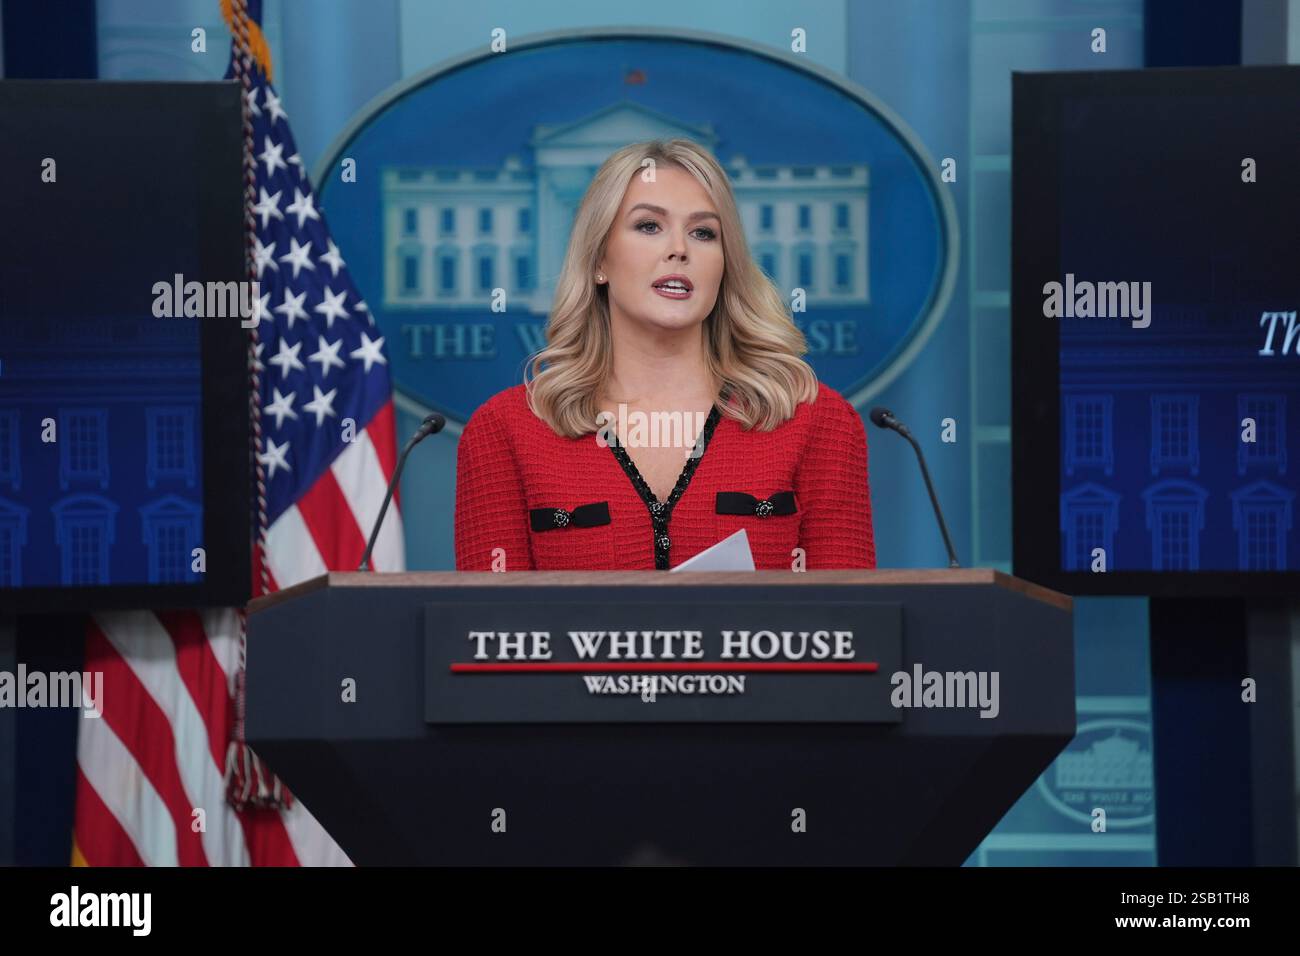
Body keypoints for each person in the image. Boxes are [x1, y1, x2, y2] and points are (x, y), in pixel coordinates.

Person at [454, 138, 874, 571]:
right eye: (649, 226)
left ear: (725, 265)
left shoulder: (817, 420)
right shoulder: (505, 430)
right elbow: (491, 633)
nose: (680, 249)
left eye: (703, 232)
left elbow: (848, 629)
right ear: (599, 259)